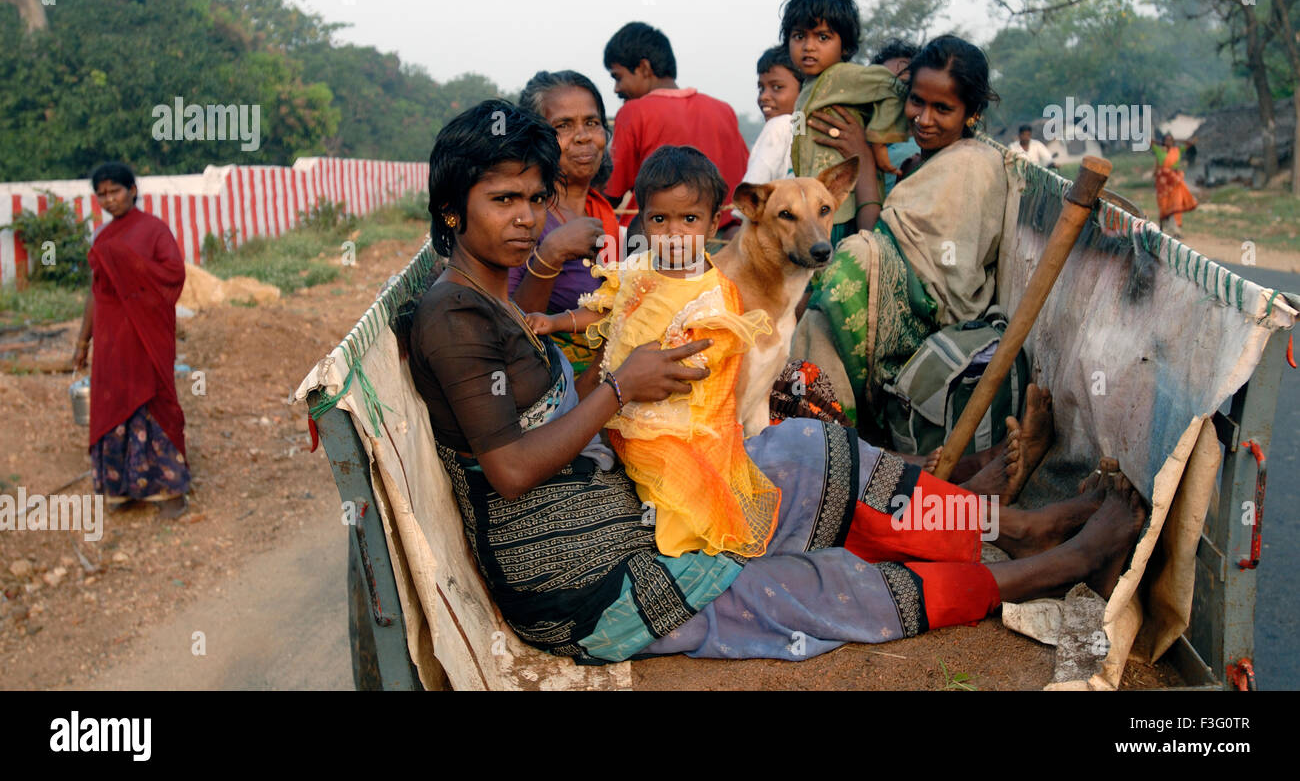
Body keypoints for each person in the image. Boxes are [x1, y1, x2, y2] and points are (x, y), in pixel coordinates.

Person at [408, 99, 1147, 666]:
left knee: (807, 449)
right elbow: (507, 469)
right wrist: (620, 388)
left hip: (618, 509)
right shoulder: (449, 318)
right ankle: (1050, 564)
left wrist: (543, 273)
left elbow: (523, 338)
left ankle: (1006, 527)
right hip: (587, 584)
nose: (526, 218)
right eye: (503, 201)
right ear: (452, 209)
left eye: (535, 200)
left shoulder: (486, 294)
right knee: (826, 587)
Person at [527, 146, 779, 559]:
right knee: (589, 446)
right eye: (660, 219)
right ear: (642, 219)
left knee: (677, 497)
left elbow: (703, 365)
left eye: (690, 220)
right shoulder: (638, 266)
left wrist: (660, 373)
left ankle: (675, 551)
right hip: (614, 400)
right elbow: (604, 309)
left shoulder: (713, 296)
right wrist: (554, 322)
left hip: (672, 421)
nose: (674, 233)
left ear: (715, 222)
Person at [792, 35, 1009, 431]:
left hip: (931, 318)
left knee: (854, 259)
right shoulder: (923, 161)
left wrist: (863, 164)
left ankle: (832, 441)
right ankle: (825, 436)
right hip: (893, 299)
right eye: (917, 102)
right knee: (819, 309)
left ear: (972, 113)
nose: (924, 120)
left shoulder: (971, 166)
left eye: (942, 109)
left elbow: (899, 252)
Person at [72, 163, 190, 518]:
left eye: (116, 191)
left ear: (133, 190)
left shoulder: (153, 230)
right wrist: (83, 342)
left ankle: (168, 488)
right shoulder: (101, 237)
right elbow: (95, 292)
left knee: (153, 400)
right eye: (102, 194)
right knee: (113, 405)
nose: (110, 200)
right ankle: (122, 489)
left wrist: (128, 264)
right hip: (110, 339)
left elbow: (173, 275)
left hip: (145, 335)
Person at [508, 70, 619, 375]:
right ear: (535, 139)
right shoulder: (525, 215)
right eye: (563, 126)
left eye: (592, 123)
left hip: (604, 377)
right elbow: (506, 327)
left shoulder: (601, 210)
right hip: (554, 387)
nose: (583, 136)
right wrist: (552, 254)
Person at [782, 0, 910, 245]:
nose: (809, 47)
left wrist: (878, 139)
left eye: (823, 37)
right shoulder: (807, 86)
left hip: (841, 210)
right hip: (817, 208)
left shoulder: (842, 76)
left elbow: (892, 86)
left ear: (845, 46)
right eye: (799, 37)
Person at [602, 21, 750, 228]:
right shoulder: (722, 110)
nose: (617, 89)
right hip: (723, 238)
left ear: (644, 68)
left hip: (659, 241)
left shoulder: (634, 112)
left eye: (618, 77)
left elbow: (611, 193)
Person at [742, 45, 803, 185]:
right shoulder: (803, 127)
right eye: (761, 88)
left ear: (804, 90)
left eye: (777, 87)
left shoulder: (779, 127)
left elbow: (751, 193)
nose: (763, 96)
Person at [870, 38, 922, 194]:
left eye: (901, 85)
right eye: (881, 84)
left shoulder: (911, 152)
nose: (889, 93)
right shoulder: (869, 140)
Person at [1154, 133, 1198, 236]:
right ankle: (1162, 227)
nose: (1168, 142)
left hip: (1175, 179)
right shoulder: (1159, 150)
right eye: (1167, 140)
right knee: (1163, 204)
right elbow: (1148, 142)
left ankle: (1175, 230)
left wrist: (1176, 140)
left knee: (1176, 203)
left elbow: (1190, 143)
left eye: (1170, 140)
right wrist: (1161, 142)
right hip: (1163, 180)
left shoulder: (1177, 150)